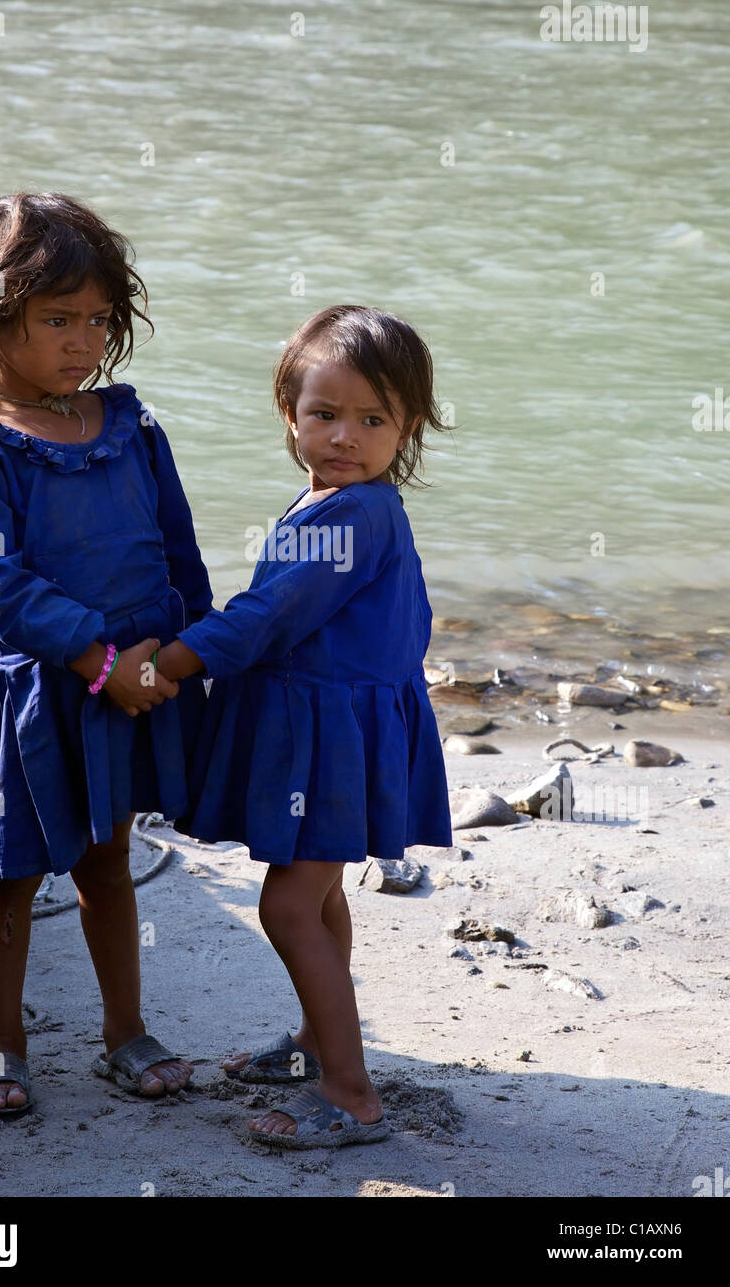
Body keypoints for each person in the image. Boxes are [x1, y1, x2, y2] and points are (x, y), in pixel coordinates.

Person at [0, 192, 212, 1116]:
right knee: (9, 874)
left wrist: (175, 650)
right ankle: (3, 1044)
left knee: (107, 862)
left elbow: (179, 553)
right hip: (37, 699)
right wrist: (98, 661)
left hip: (130, 686)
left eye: (97, 319)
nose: (82, 341)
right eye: (56, 320)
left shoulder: (133, 430)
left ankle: (124, 1031)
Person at [155, 304, 453, 1149]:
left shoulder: (355, 516)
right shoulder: (332, 498)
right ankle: (319, 1044)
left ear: (408, 428)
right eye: (324, 415)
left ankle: (352, 1093)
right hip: (332, 731)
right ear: (290, 414)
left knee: (287, 907)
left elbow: (264, 619)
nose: (344, 438)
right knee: (317, 896)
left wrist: (167, 662)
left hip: (334, 741)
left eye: (372, 420)